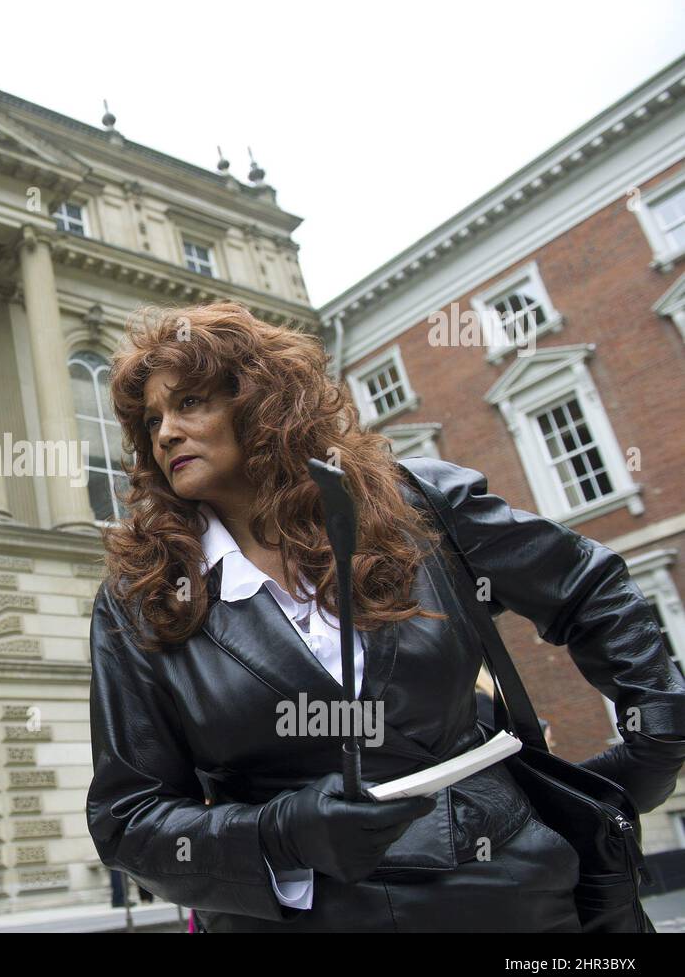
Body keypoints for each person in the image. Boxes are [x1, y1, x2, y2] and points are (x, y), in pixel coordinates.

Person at [85, 300, 685, 932]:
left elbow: (588, 585)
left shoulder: (416, 505)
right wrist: (280, 835)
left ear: (261, 401)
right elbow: (129, 821)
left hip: (511, 897)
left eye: (190, 403)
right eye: (152, 419)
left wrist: (658, 734)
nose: (166, 433)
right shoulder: (141, 599)